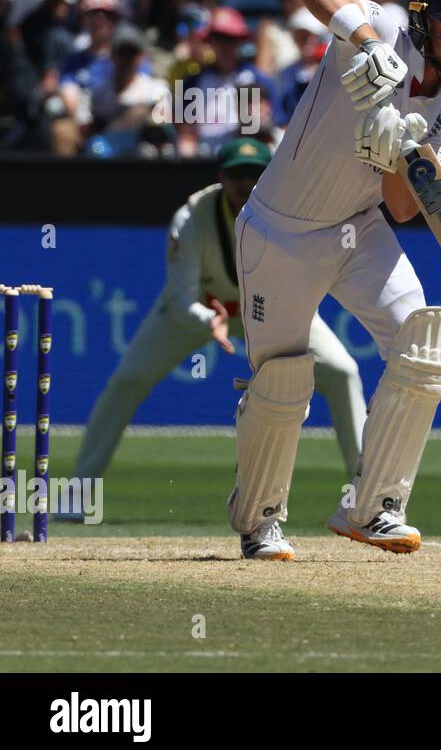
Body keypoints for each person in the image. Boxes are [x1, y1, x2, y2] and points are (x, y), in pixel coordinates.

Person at [228, 0, 441, 560]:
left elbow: (401, 208)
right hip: (280, 229)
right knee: (283, 378)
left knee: (424, 340)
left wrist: (400, 148)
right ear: (424, 23)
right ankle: (259, 520)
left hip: (361, 230)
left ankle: (373, 508)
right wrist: (369, 46)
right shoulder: (386, 26)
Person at [66, 139, 366, 511]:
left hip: (272, 311)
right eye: (237, 174)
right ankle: (75, 499)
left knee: (343, 372)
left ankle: (365, 498)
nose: (245, 183)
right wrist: (210, 319)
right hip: (202, 310)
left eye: (254, 174)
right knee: (127, 380)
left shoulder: (293, 212)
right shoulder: (191, 218)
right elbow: (180, 299)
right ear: (222, 177)